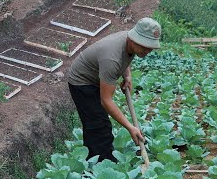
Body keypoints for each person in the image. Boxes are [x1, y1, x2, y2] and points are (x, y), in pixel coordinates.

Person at [65, 17, 162, 162]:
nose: (148, 50)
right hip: (82, 82)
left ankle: (99, 158)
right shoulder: (112, 59)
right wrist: (131, 127)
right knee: (98, 126)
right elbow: (106, 100)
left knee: (99, 123)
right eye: (144, 46)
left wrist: (127, 76)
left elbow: (125, 58)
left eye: (150, 46)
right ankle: (100, 164)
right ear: (133, 39)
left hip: (96, 76)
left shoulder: (129, 43)